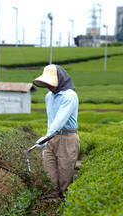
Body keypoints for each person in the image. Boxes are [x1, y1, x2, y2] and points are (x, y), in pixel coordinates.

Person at [33, 64, 80, 199]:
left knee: (65, 176)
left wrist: (47, 136)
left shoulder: (70, 96)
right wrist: (48, 138)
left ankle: (65, 207)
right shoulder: (49, 96)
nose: (49, 86)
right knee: (49, 175)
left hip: (67, 138)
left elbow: (60, 119)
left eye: (51, 83)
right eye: (47, 83)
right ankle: (51, 206)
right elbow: (52, 120)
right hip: (51, 138)